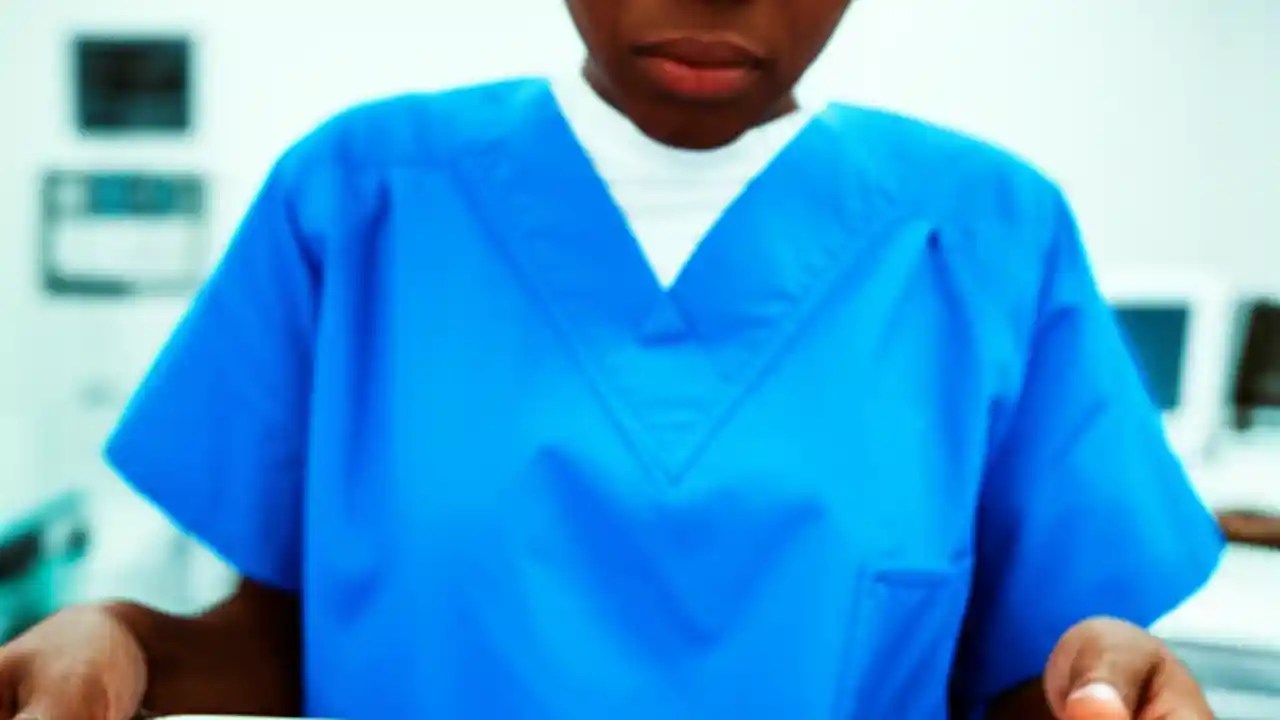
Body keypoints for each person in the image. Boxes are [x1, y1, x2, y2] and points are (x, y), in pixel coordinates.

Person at [0, 1, 1225, 718]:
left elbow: (995, 687)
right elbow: (289, 639)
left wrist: (1095, 681)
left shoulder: (989, 237)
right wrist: (125, 646)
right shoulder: (359, 201)